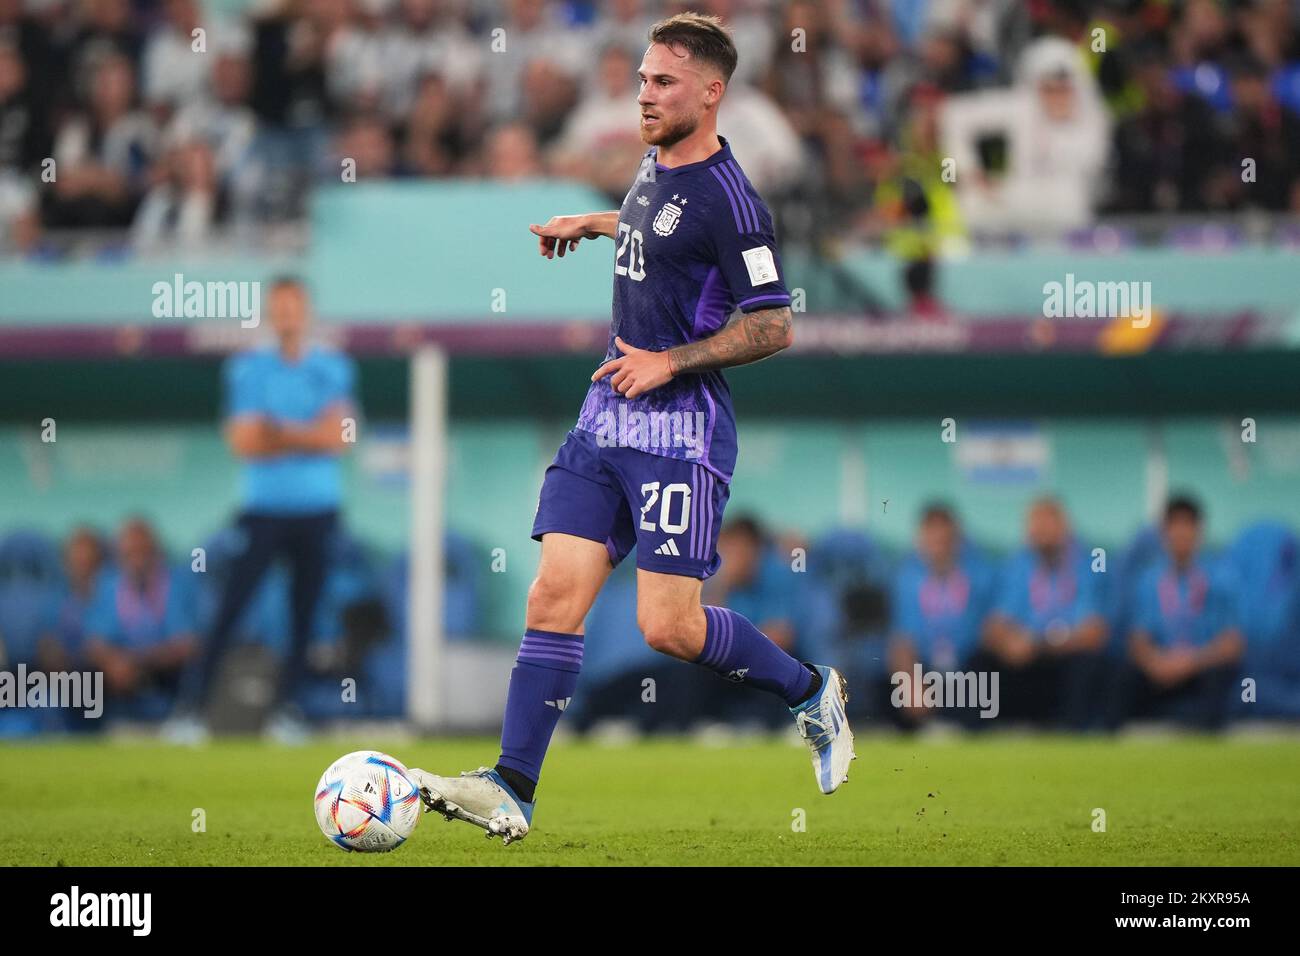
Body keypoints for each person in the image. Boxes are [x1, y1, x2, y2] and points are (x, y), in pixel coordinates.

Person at [409, 13, 855, 846]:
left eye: (663, 83)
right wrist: (596, 223)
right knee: (552, 595)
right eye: (644, 78)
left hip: (679, 430)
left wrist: (670, 361)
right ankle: (513, 787)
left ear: (711, 93)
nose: (643, 95)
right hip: (605, 412)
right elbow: (659, 229)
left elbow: (773, 324)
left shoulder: (737, 203)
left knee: (670, 627)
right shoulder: (654, 162)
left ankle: (810, 691)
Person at [171, 276, 358, 742]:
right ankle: (190, 711)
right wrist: (308, 433)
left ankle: (288, 713)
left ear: (307, 310)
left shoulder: (334, 366)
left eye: (295, 305)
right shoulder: (246, 369)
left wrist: (279, 431)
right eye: (279, 306)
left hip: (318, 511)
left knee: (305, 615)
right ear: (270, 312)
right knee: (230, 609)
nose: (288, 314)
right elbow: (245, 441)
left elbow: (340, 438)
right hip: (262, 510)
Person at [981, 497, 1111, 729]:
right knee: (982, 662)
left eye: (1047, 524)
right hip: (1028, 657)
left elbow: (1095, 632)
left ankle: (1076, 731)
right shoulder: (1017, 563)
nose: (1040, 532)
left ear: (1065, 526)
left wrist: (1044, 644)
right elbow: (995, 625)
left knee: (1089, 665)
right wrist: (1010, 640)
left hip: (1067, 653)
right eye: (1035, 525)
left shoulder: (1092, 561)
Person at [1124, 496, 1244, 730]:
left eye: (1187, 526)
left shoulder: (1222, 577)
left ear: (1199, 531)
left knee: (1221, 675)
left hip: (1202, 665)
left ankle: (1207, 739)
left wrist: (1191, 661)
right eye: (1174, 526)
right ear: (1163, 533)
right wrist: (1156, 663)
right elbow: (1138, 639)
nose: (1181, 534)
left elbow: (1233, 643)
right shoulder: (1149, 580)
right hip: (1160, 667)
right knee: (1121, 676)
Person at [886, 503, 995, 728]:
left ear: (957, 540)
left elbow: (992, 627)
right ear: (921, 540)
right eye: (932, 539)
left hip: (968, 669)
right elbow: (902, 638)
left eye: (944, 540)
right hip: (925, 668)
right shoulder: (906, 577)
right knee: (897, 676)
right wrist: (910, 682)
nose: (938, 547)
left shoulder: (980, 572)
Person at [84, 518, 200, 721]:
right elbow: (95, 643)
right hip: (119, 683)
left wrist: (139, 662)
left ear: (155, 552)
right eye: (130, 553)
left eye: (142, 551)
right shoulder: (108, 585)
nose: (137, 559)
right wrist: (114, 663)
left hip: (166, 678)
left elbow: (187, 645)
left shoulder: (177, 583)